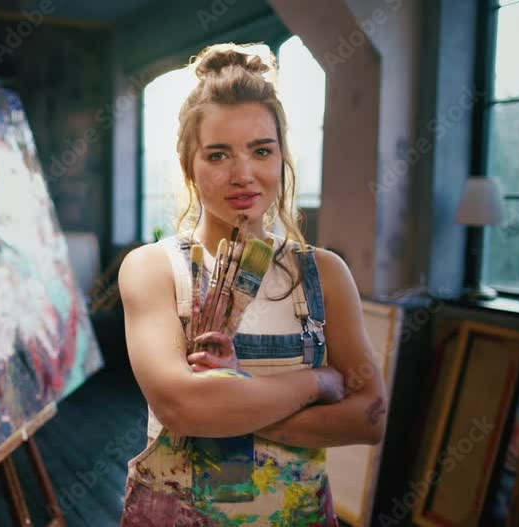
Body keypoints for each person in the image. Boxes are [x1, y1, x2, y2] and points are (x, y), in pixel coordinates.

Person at [118, 43, 387, 526]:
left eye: (261, 150)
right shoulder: (152, 269)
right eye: (218, 154)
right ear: (189, 165)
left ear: (280, 157)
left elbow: (370, 417)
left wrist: (227, 408)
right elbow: (182, 408)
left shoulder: (324, 273)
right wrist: (319, 382)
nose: (243, 175)